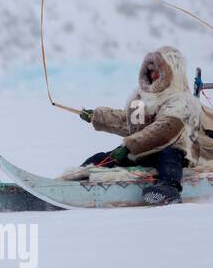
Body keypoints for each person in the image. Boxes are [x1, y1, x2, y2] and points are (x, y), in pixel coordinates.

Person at [78, 45, 202, 205]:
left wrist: (129, 147)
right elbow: (129, 123)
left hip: (177, 152)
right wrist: (97, 117)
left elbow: (165, 129)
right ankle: (74, 179)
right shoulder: (141, 97)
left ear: (172, 73)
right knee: (102, 159)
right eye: (150, 70)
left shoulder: (182, 100)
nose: (152, 74)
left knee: (169, 155)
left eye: (158, 70)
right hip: (143, 151)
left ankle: (169, 188)